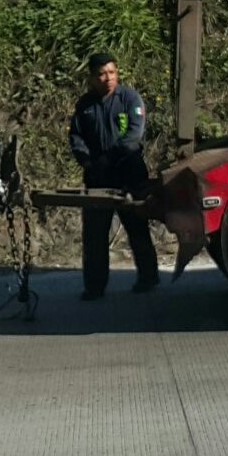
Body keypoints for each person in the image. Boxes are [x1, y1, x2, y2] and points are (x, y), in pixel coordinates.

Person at [68, 52, 159, 300]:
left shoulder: (129, 98)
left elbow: (133, 135)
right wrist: (86, 160)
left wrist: (110, 158)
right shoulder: (84, 105)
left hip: (128, 173)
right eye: (102, 74)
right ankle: (94, 287)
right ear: (91, 78)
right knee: (95, 234)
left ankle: (148, 278)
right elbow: (76, 136)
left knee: (136, 228)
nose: (108, 78)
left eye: (112, 72)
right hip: (97, 177)